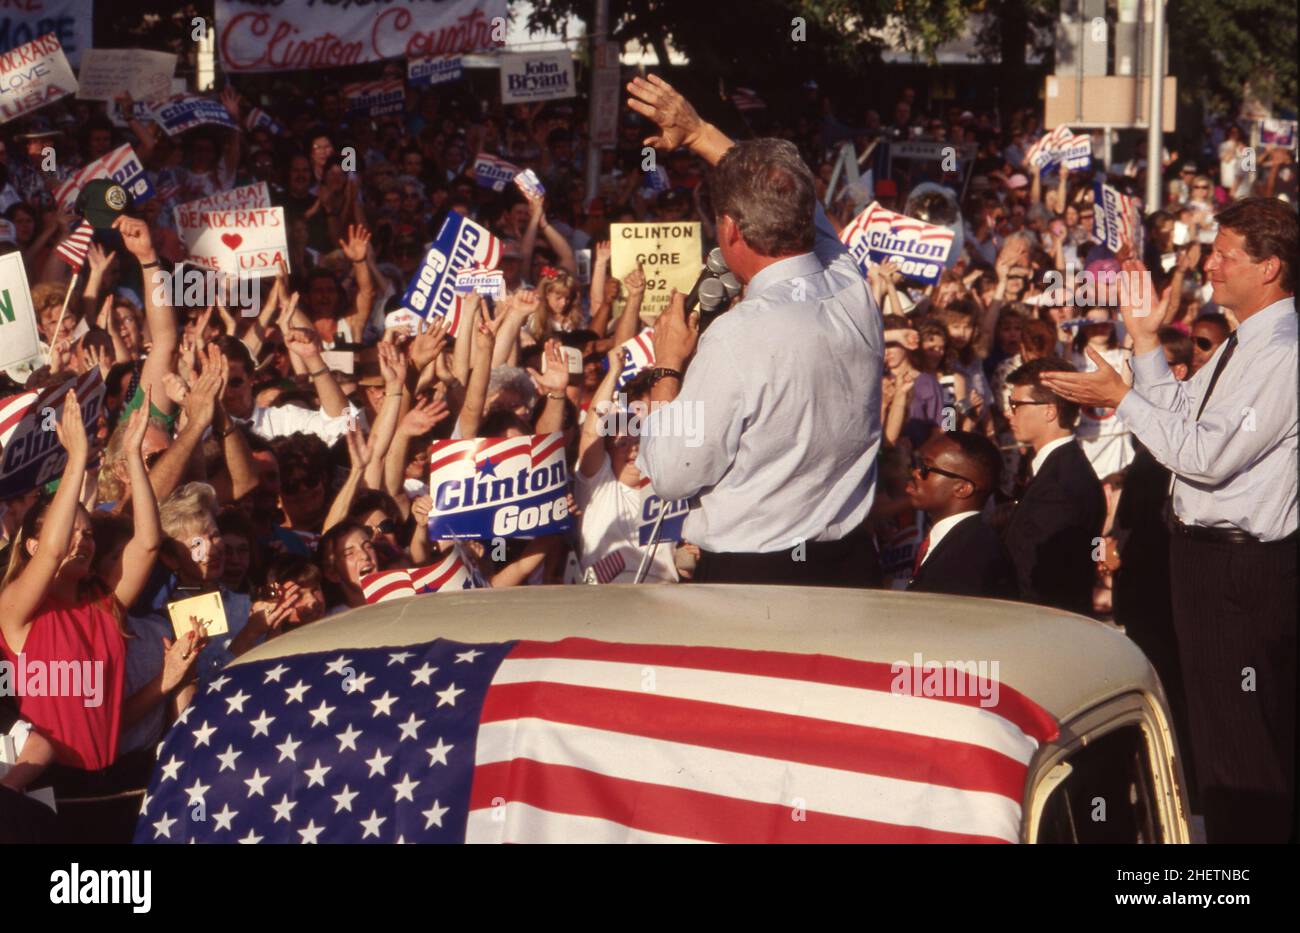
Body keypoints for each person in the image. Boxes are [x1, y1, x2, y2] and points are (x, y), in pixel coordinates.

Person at [1040, 197, 1297, 843]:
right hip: (1212, 565)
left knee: (1245, 754)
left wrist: (1122, 397)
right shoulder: (1251, 342)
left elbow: (1203, 455)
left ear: (1270, 268)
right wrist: (1148, 342)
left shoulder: (1282, 354)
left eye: (1225, 254)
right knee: (1218, 744)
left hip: (1242, 571)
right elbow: (1183, 418)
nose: (1209, 264)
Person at [627, 75, 883, 586]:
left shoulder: (737, 336)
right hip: (853, 566)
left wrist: (666, 366)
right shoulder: (850, 285)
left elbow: (674, 476)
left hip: (759, 581)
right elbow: (794, 196)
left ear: (729, 231)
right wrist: (698, 132)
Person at [1003, 357, 1106, 615]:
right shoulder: (1056, 468)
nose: (1009, 412)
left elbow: (1035, 576)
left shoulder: (1061, 485)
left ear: (1049, 410)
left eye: (1016, 404)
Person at [905, 432, 1016, 599]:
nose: (916, 473)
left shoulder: (972, 557)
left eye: (926, 468)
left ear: (962, 488)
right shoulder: (964, 540)